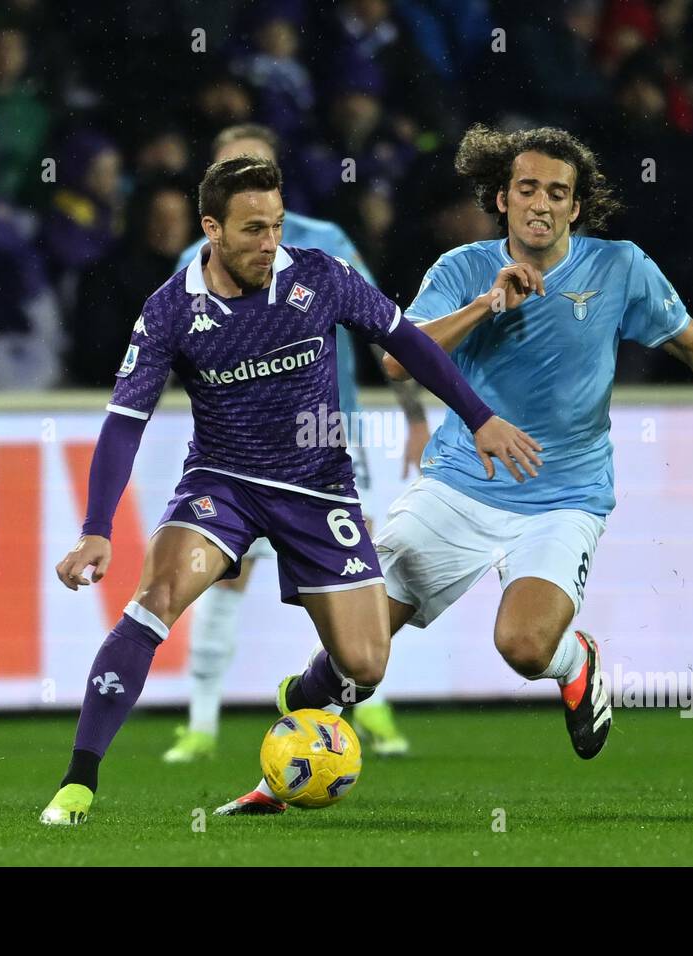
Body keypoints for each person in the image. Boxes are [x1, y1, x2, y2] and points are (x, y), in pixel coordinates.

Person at [218, 123, 693, 814]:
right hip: (457, 484)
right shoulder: (460, 270)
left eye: (557, 193)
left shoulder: (619, 267)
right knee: (359, 641)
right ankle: (280, 776)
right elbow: (397, 358)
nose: (541, 203)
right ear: (502, 198)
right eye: (527, 188)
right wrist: (487, 305)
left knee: (525, 647)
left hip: (564, 496)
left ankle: (575, 660)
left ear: (576, 207)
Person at [39, 156, 540, 825]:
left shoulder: (320, 276)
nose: (269, 243)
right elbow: (126, 421)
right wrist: (96, 528)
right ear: (211, 229)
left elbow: (405, 343)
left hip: (318, 487)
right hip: (224, 484)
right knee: (154, 600)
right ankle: (78, 782)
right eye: (252, 230)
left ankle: (301, 696)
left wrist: (478, 418)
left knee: (365, 666)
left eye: (275, 225)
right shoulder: (171, 309)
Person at [161, 124, 427, 764]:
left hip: (328, 433)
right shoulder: (194, 259)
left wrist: (415, 413)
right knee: (226, 579)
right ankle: (200, 723)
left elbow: (383, 328)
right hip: (239, 449)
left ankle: (369, 705)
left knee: (358, 567)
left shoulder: (324, 242)